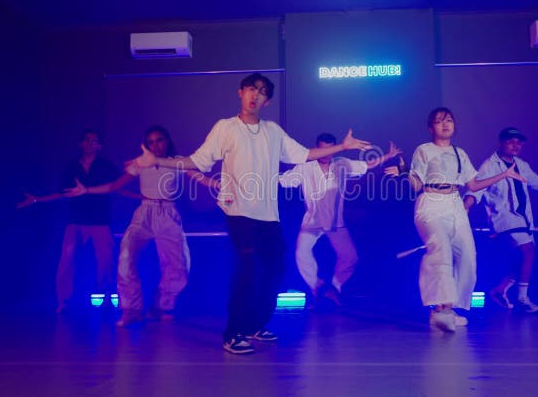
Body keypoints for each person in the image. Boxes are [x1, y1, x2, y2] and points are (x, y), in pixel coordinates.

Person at [130, 73, 371, 354]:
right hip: (238, 211)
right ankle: (233, 333)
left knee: (276, 270)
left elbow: (303, 153)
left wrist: (342, 147)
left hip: (268, 215)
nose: (255, 95)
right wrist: (157, 160)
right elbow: (197, 161)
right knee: (248, 268)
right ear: (240, 93)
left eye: (262, 92)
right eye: (251, 89)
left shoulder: (273, 131)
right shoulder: (226, 128)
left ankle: (256, 324)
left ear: (267, 101)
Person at [385, 108, 525, 332]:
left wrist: (504, 175)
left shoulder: (460, 153)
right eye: (439, 121)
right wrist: (404, 173)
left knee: (468, 255)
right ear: (431, 128)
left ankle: (450, 310)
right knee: (441, 249)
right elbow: (417, 184)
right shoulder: (424, 150)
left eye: (449, 120)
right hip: (430, 202)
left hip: (455, 204)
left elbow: (473, 185)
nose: (445, 124)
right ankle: (442, 308)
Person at [66, 126, 213, 327]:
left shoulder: (177, 161)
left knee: (178, 263)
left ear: (167, 141)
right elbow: (113, 186)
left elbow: (200, 178)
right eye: (151, 142)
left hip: (168, 214)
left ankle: (163, 306)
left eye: (159, 140)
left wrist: (219, 186)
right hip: (144, 213)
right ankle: (131, 308)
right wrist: (87, 190)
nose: (155, 145)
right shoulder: (140, 163)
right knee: (126, 253)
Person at [463, 127, 538, 313]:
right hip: (504, 219)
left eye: (519, 142)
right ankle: (522, 298)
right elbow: (476, 187)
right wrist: (465, 206)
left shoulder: (521, 165)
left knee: (526, 257)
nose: (516, 145)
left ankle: (500, 290)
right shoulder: (489, 165)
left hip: (523, 220)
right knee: (528, 252)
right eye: (511, 141)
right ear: (501, 142)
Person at [279, 133, 401, 306]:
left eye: (330, 149)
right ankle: (318, 287)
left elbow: (367, 165)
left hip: (336, 223)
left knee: (350, 256)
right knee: (301, 253)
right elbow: (284, 180)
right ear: (317, 148)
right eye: (322, 149)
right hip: (312, 222)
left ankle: (334, 287)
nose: (326, 153)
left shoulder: (342, 164)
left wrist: (388, 156)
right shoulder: (305, 167)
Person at [17, 130, 118, 314]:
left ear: (100, 146)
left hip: (100, 221)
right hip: (76, 220)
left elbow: (116, 188)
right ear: (81, 144)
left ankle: (106, 297)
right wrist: (37, 200)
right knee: (67, 260)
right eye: (87, 140)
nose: (90, 143)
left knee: (106, 261)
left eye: (94, 141)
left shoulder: (107, 166)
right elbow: (62, 193)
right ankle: (63, 300)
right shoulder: (72, 167)